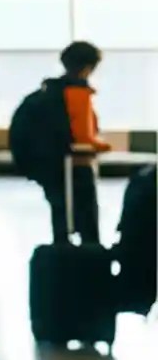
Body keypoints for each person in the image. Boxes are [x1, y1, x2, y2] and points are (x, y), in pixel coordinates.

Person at [43, 41, 111, 245]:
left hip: (53, 163)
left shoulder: (53, 91)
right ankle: (90, 265)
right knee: (87, 217)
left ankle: (62, 259)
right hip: (78, 165)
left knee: (60, 215)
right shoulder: (78, 93)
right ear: (88, 67)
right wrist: (105, 146)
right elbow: (84, 137)